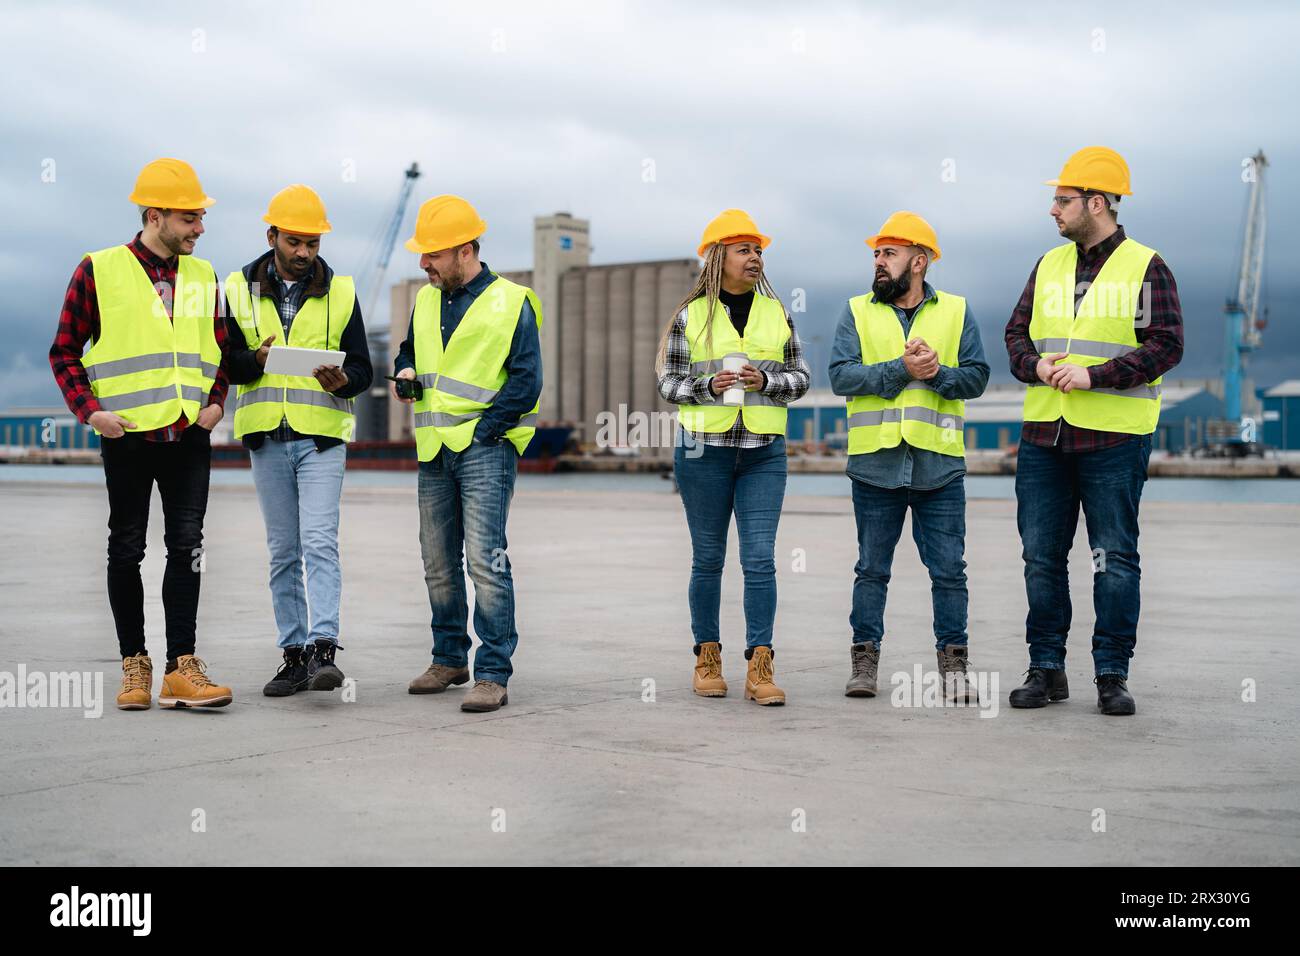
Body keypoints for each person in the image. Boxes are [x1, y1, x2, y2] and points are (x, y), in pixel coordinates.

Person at [1004, 147, 1183, 716]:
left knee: (1114, 558)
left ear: (1097, 203)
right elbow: (1016, 336)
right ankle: (1046, 669)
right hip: (1043, 439)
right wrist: (1035, 367)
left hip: (1113, 440)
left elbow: (1166, 345)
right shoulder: (1048, 265)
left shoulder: (1145, 265)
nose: (1053, 210)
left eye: (1063, 199)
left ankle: (1111, 674)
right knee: (1040, 557)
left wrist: (1096, 375)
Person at [49, 158, 234, 710]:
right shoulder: (99, 270)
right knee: (125, 549)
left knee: (187, 548)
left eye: (201, 218)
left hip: (188, 436)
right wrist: (90, 414)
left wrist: (217, 401)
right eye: (190, 218)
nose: (200, 228)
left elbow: (219, 347)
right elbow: (64, 352)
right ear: (155, 217)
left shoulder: (203, 276)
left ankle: (182, 668)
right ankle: (135, 666)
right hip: (126, 436)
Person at [829, 212, 989, 702]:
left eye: (889, 254)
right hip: (875, 465)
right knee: (871, 569)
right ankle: (864, 665)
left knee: (949, 571)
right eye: (876, 254)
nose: (878, 262)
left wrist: (937, 372)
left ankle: (955, 667)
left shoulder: (958, 311)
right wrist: (901, 369)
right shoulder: (856, 310)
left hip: (937, 465)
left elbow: (977, 378)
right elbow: (841, 377)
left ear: (918, 262)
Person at [222, 184, 372, 697]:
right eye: (294, 242)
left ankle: (324, 651)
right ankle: (293, 657)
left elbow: (362, 368)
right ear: (272, 236)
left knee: (319, 543)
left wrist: (344, 381)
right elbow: (226, 364)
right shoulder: (235, 289)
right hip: (267, 439)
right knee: (283, 551)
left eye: (312, 243)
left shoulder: (343, 292)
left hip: (321, 440)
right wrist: (255, 361)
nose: (304, 252)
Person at [394, 196, 542, 713]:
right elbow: (409, 351)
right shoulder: (426, 299)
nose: (423, 264)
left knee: (485, 562)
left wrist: (486, 433)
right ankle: (449, 657)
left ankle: (493, 672)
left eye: (432, 254)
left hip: (485, 450)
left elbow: (527, 381)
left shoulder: (511, 301)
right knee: (437, 562)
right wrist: (407, 371)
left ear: (464, 250)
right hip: (433, 448)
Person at [656, 209, 810, 706]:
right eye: (744, 249)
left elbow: (801, 378)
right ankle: (707, 659)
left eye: (759, 250)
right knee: (708, 560)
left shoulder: (777, 313)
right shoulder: (690, 316)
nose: (755, 258)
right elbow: (668, 384)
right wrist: (707, 386)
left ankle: (760, 666)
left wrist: (766, 382)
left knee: (760, 560)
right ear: (718, 257)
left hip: (764, 453)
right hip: (704, 454)